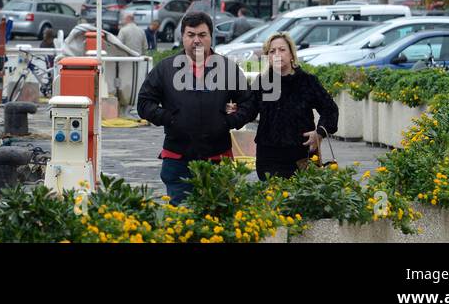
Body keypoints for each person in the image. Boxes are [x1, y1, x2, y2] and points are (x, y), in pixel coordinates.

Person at [136, 11, 257, 204]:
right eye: (191, 35)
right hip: (178, 158)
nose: (196, 40)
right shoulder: (166, 68)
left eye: (202, 35)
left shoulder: (227, 68)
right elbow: (144, 103)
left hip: (218, 158)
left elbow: (249, 103)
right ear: (182, 37)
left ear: (211, 37)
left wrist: (228, 121)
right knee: (181, 219)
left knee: (218, 219)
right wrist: (170, 118)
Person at [250, 32, 339, 180]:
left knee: (302, 200)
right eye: (272, 51)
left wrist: (319, 133)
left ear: (292, 54)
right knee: (271, 199)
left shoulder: (307, 81)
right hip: (269, 156)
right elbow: (249, 110)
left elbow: (330, 109)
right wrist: (236, 110)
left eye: (282, 49)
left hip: (301, 154)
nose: (277, 54)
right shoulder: (261, 83)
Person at [114, 12, 149, 110]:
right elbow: (145, 47)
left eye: (124, 19)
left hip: (126, 62)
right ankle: (136, 102)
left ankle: (126, 102)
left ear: (128, 19)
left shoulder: (123, 30)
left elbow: (118, 46)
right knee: (138, 83)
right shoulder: (141, 31)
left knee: (125, 83)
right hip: (138, 62)